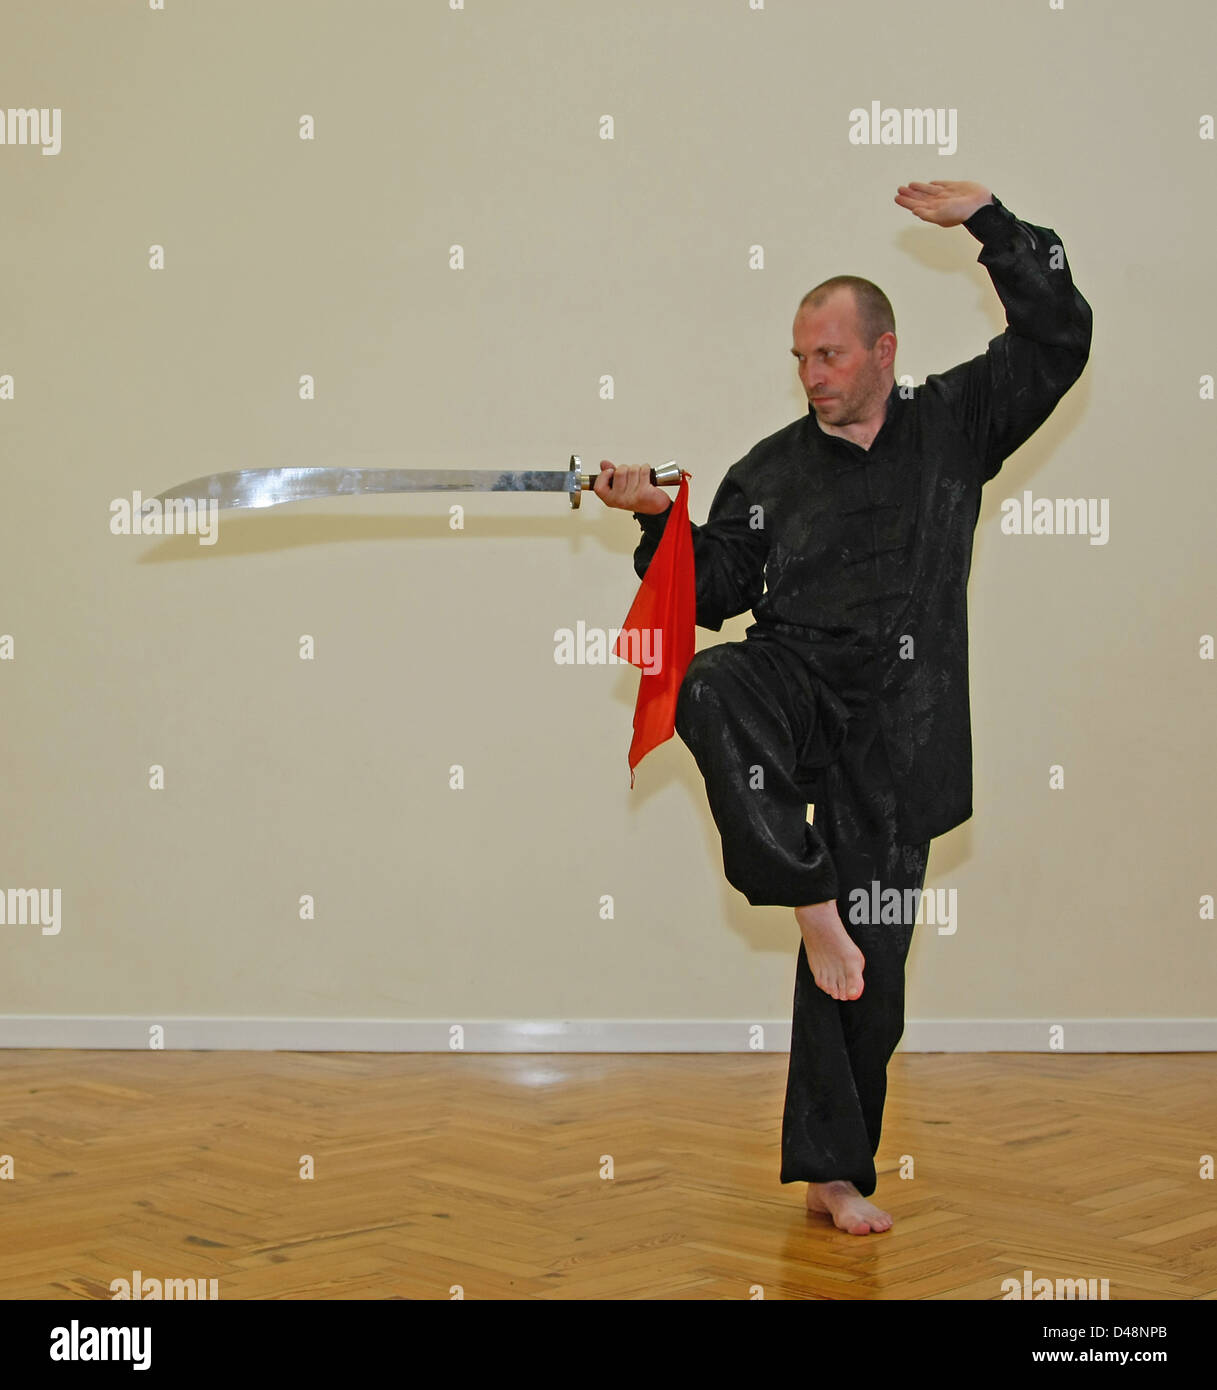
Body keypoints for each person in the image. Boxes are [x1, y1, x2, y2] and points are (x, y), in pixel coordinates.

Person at [594, 180, 1093, 1235]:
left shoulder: (954, 422)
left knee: (872, 967)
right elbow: (716, 587)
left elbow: (1056, 334)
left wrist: (990, 222)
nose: (810, 375)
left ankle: (833, 1169)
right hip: (796, 689)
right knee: (709, 681)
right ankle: (804, 896)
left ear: (880, 350)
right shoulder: (769, 469)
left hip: (902, 729)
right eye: (799, 358)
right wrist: (657, 514)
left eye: (827, 354)